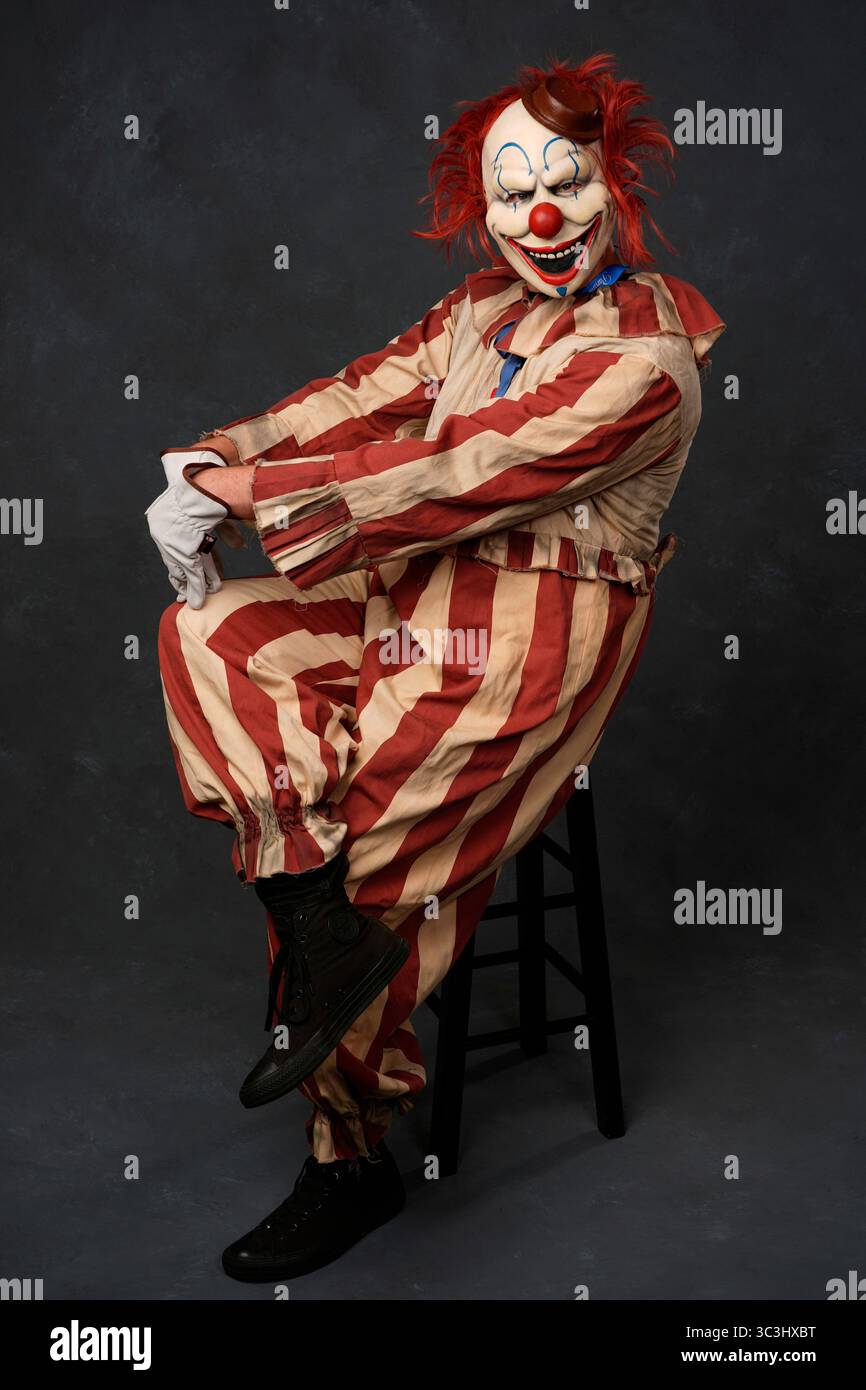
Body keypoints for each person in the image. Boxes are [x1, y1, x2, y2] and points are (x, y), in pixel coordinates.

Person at [147, 53, 724, 1282]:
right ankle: (312, 915)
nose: (542, 217)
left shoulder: (648, 359)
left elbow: (462, 466)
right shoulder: (476, 315)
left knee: (363, 861)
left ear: (610, 181)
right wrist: (206, 458)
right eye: (514, 196)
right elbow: (363, 398)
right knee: (209, 634)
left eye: (565, 183)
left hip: (528, 642)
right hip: (404, 603)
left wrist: (249, 496)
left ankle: (346, 1155)